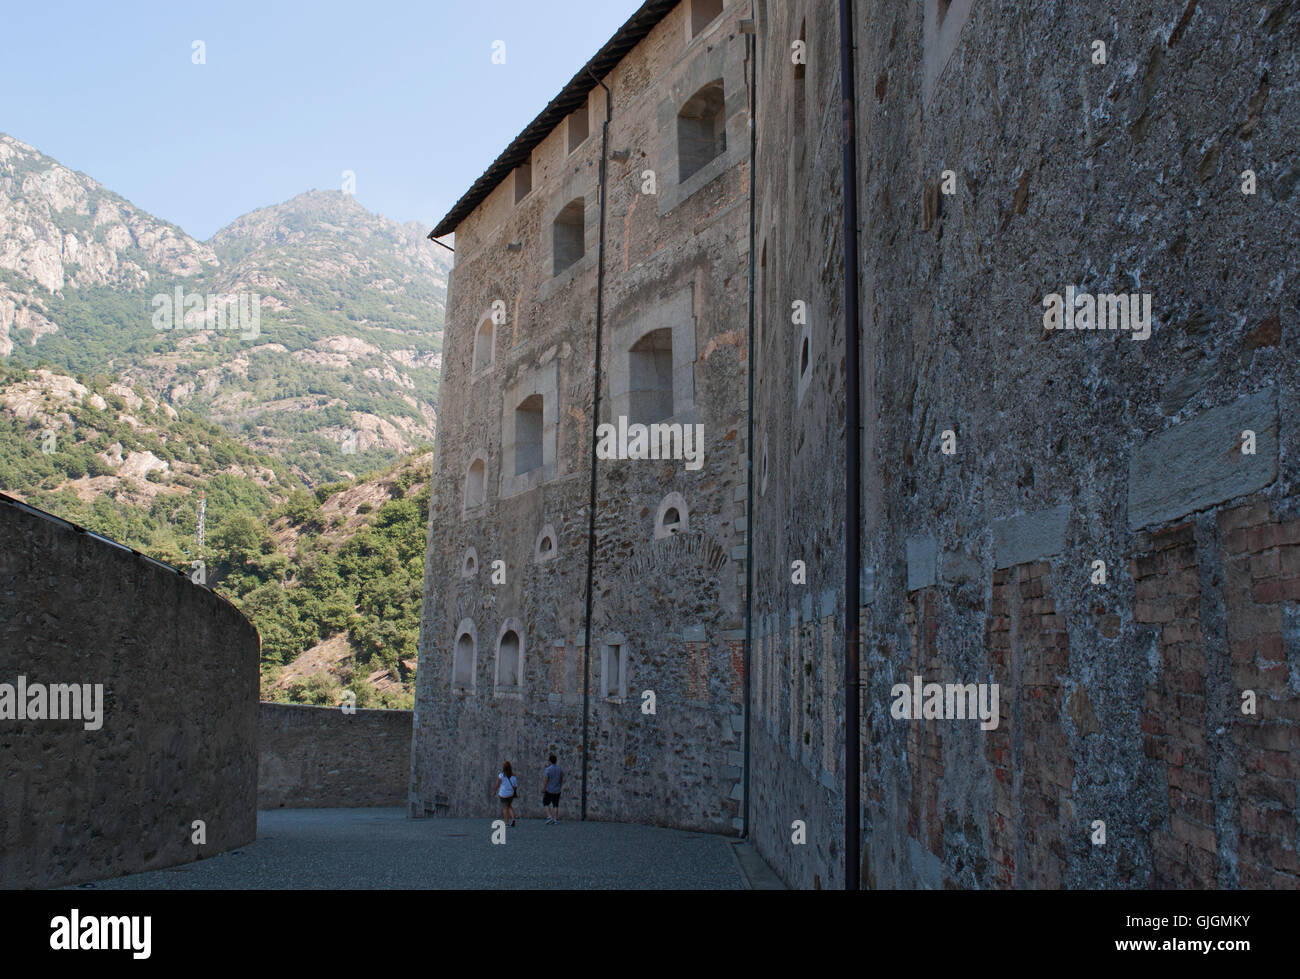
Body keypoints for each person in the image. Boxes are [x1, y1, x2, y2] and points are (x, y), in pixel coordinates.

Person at [542, 753, 564, 824]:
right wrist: (559, 785)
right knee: (556, 804)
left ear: (550, 761)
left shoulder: (548, 769)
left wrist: (544, 788)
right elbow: (561, 779)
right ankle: (555, 819)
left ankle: (549, 816)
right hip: (557, 789)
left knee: (545, 802)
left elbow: (546, 779)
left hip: (549, 789)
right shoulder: (559, 769)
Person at [497, 761, 519, 826]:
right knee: (509, 806)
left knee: (505, 808)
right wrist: (513, 792)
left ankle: (506, 822)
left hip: (503, 794)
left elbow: (497, 784)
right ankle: (513, 818)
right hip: (510, 794)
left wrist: (495, 791)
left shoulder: (501, 775)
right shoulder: (513, 776)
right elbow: (515, 786)